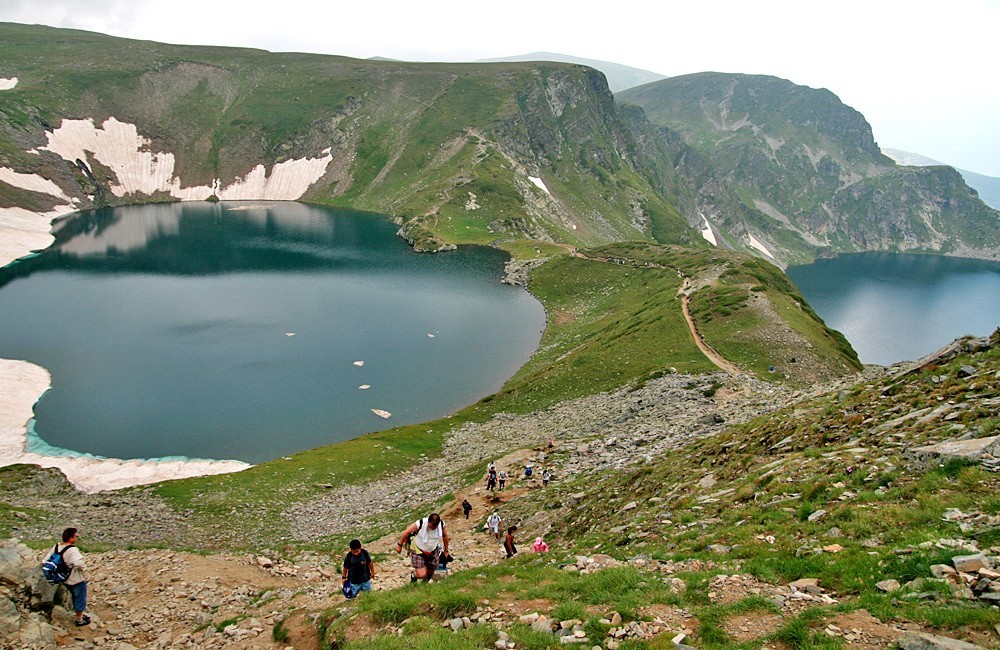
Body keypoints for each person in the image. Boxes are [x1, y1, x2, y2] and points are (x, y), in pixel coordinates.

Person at [396, 513, 449, 582]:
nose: (432, 528)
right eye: (431, 526)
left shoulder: (441, 525)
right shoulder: (421, 523)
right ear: (428, 522)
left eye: (435, 527)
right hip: (418, 550)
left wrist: (446, 550)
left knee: (430, 572)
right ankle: (414, 575)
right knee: (421, 574)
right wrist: (399, 545)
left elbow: (445, 536)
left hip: (433, 550)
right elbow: (406, 532)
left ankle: (424, 585)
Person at [57, 527, 89, 626]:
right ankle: (79, 619)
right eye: (76, 536)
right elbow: (78, 563)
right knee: (79, 597)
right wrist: (84, 567)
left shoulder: (57, 546)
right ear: (71, 538)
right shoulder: (72, 550)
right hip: (75, 578)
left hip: (62, 577)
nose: (77, 538)